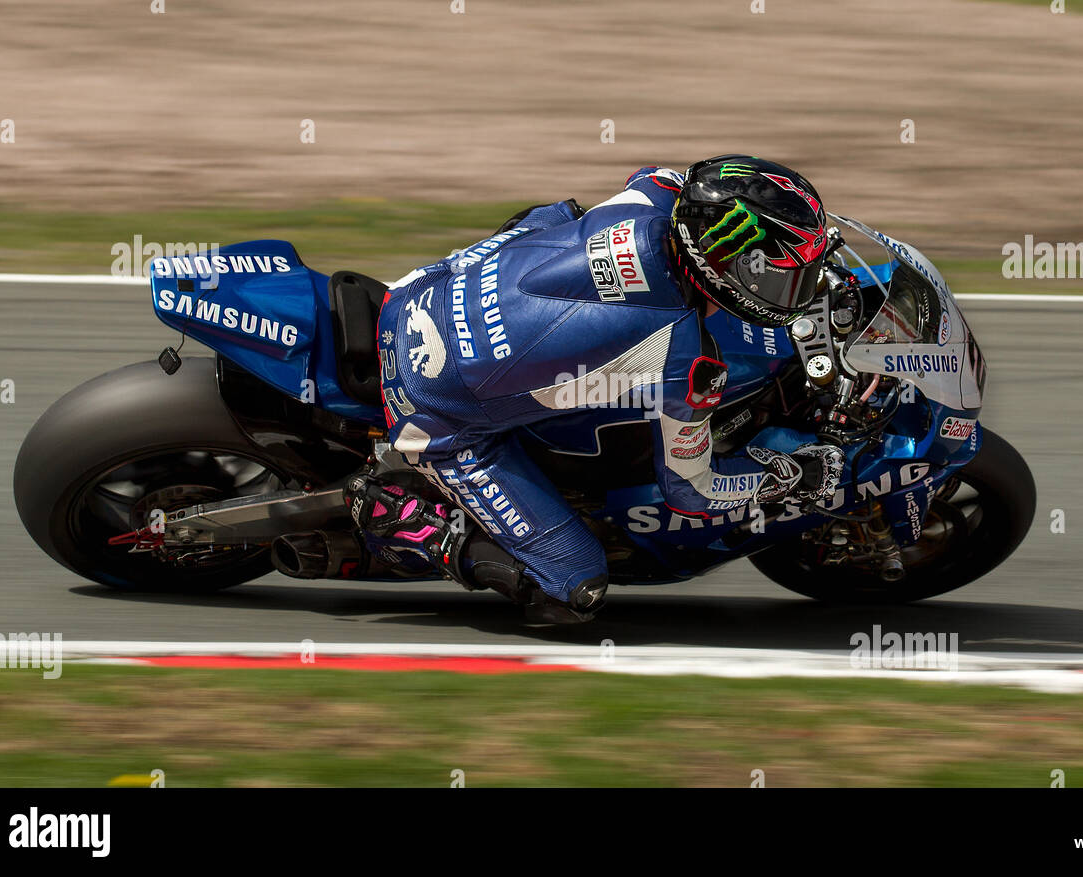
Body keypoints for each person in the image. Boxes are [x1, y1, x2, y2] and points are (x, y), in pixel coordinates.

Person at [345, 155, 844, 623]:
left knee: (555, 217)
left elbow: (646, 176)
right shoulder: (685, 358)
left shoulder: (659, 192)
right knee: (575, 585)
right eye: (783, 278)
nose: (795, 290)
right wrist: (791, 475)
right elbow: (693, 492)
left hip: (418, 290)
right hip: (431, 412)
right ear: (725, 265)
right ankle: (401, 517)